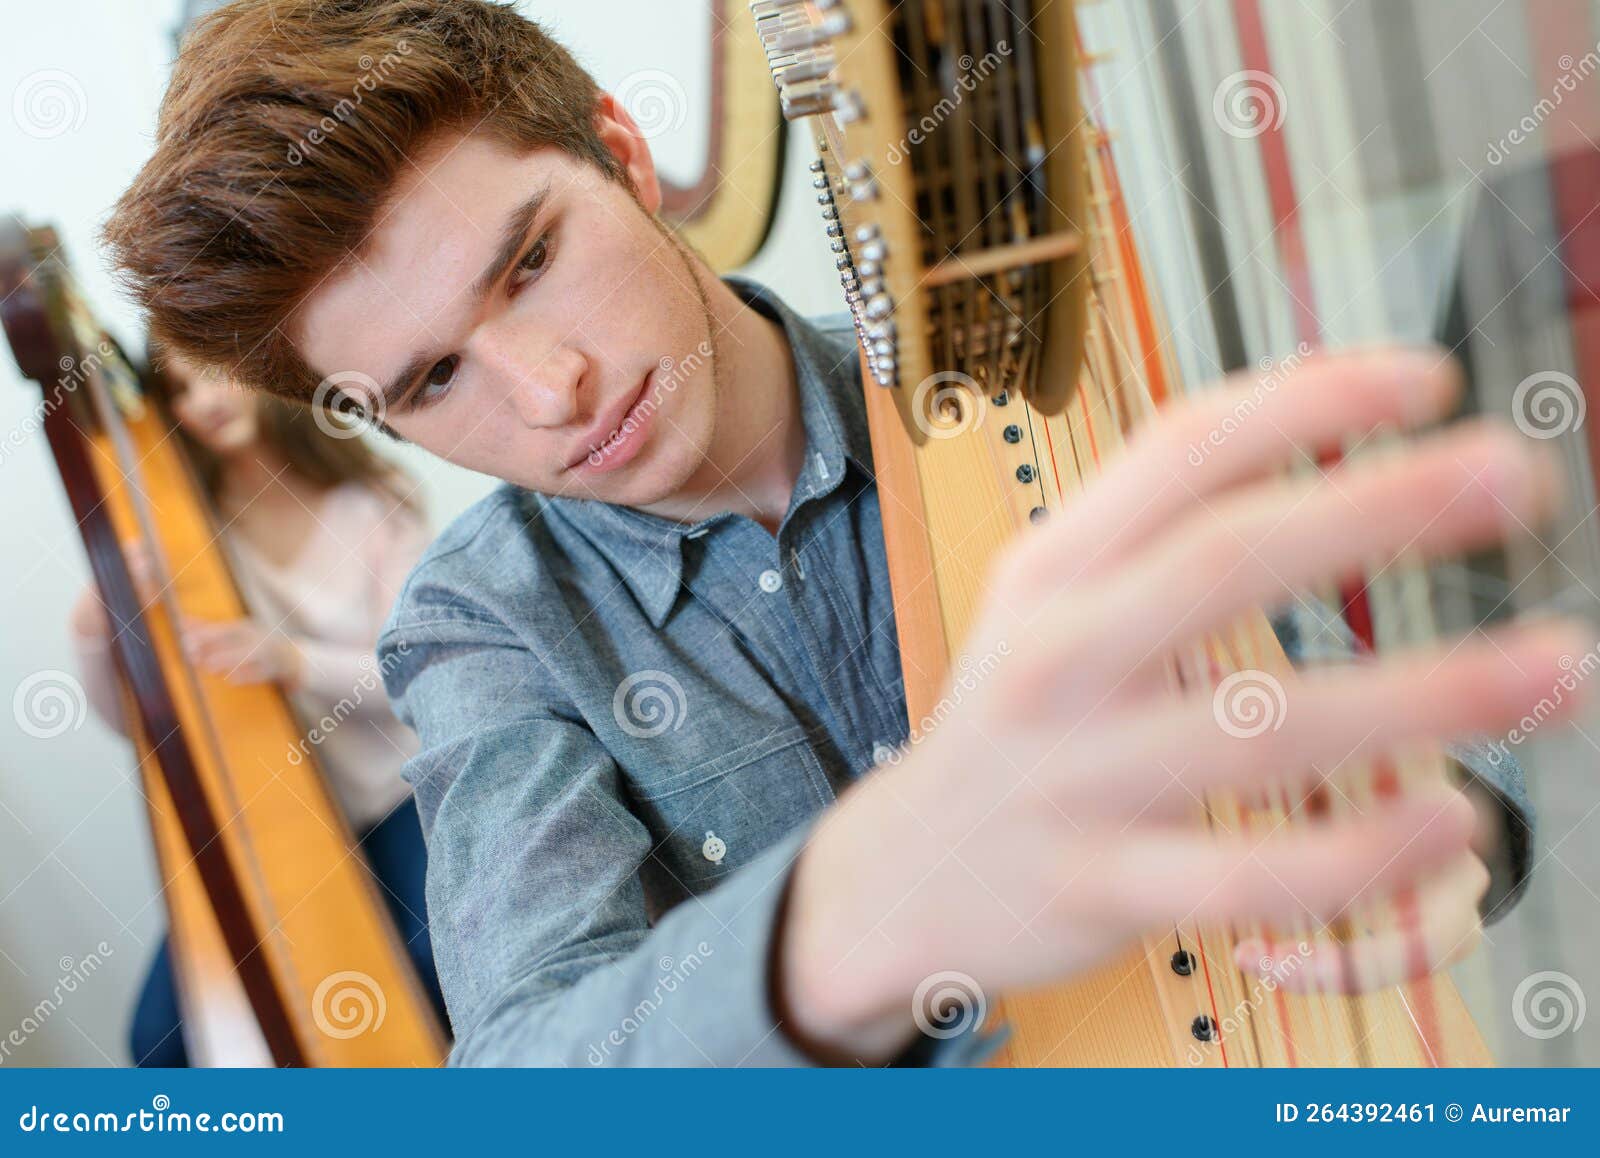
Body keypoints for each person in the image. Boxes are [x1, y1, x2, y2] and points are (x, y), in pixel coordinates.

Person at [101, 0, 1567, 1066]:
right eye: (432, 379)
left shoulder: (1025, 372)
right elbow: (527, 1067)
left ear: (621, 150)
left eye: (533, 262)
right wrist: (852, 913)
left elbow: (1366, 730)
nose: (551, 394)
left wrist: (1456, 827)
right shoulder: (482, 623)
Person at [67, 352, 447, 1066]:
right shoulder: (191, 538)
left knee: (426, 967)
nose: (201, 400)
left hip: (405, 796)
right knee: (159, 1044)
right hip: (287, 827)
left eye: (212, 370)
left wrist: (292, 660)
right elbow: (136, 726)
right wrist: (96, 625)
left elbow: (427, 675)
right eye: (177, 389)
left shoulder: (376, 499)